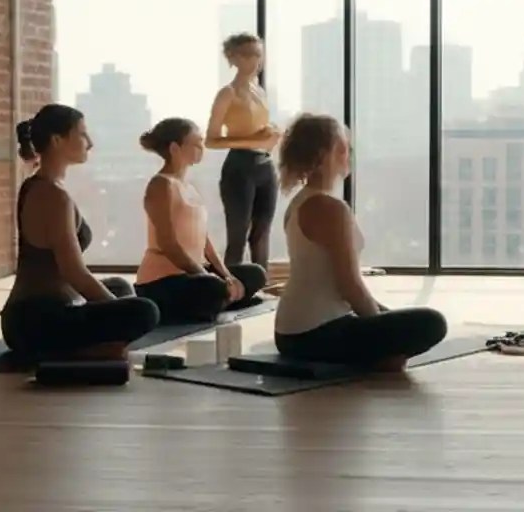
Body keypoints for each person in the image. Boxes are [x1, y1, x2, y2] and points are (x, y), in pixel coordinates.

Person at [273, 114, 447, 369]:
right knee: (433, 322)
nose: (348, 153)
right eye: (343, 147)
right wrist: (385, 335)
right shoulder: (329, 208)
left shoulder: (301, 202)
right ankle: (377, 358)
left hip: (291, 333)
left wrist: (385, 318)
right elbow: (349, 286)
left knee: (397, 317)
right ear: (324, 155)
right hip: (316, 335)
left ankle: (376, 354)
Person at [0, 105, 159, 363]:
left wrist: (113, 305)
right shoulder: (51, 196)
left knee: (119, 286)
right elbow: (73, 272)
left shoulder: (47, 187)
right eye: (82, 134)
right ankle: (81, 350)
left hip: (49, 311)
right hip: (35, 322)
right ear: (57, 140)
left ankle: (100, 346)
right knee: (145, 311)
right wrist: (116, 311)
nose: (90, 143)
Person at [134, 118, 268, 324]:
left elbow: (203, 240)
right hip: (161, 282)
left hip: (193, 275)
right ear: (175, 148)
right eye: (195, 143)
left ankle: (216, 302)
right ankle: (217, 301)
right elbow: (168, 245)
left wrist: (226, 275)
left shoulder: (189, 187)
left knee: (255, 274)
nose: (201, 148)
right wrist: (207, 276)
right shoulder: (161, 186)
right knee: (212, 288)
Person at [206, 33, 282, 270]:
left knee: (262, 232)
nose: (254, 60)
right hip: (239, 167)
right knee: (238, 234)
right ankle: (233, 288)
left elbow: (259, 131)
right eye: (247, 54)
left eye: (258, 54)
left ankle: (259, 285)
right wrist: (253, 139)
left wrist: (271, 134)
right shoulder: (227, 93)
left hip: (265, 165)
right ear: (232, 58)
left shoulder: (259, 90)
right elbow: (210, 140)